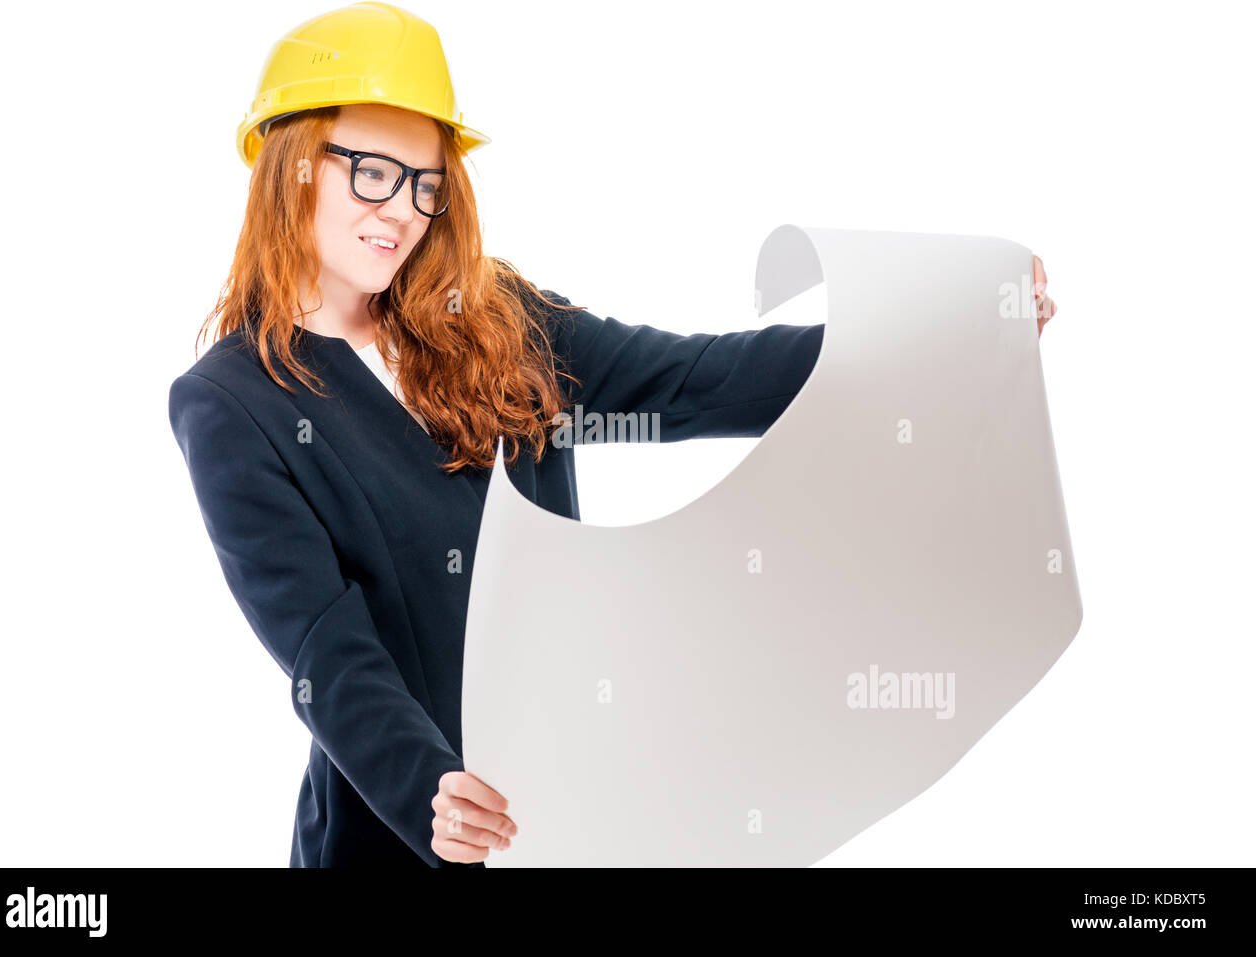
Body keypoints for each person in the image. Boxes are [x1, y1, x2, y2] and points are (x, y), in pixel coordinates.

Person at [168, 1, 1057, 869]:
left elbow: (696, 381)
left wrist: (950, 333)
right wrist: (429, 786)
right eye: (370, 172)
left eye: (424, 182)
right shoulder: (229, 403)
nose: (400, 211)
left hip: (573, 805)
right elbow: (326, 644)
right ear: (291, 164)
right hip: (409, 833)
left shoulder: (490, 318)